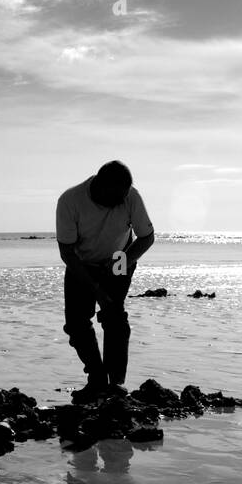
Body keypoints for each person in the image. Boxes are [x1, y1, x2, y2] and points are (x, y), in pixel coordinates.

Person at [56, 161, 155, 402]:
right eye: (116, 197)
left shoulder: (130, 196)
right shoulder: (71, 200)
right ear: (100, 186)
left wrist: (119, 265)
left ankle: (115, 384)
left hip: (119, 259)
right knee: (77, 324)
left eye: (124, 196)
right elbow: (67, 252)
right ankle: (97, 379)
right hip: (82, 263)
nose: (122, 202)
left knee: (114, 317)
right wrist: (96, 288)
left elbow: (146, 237)